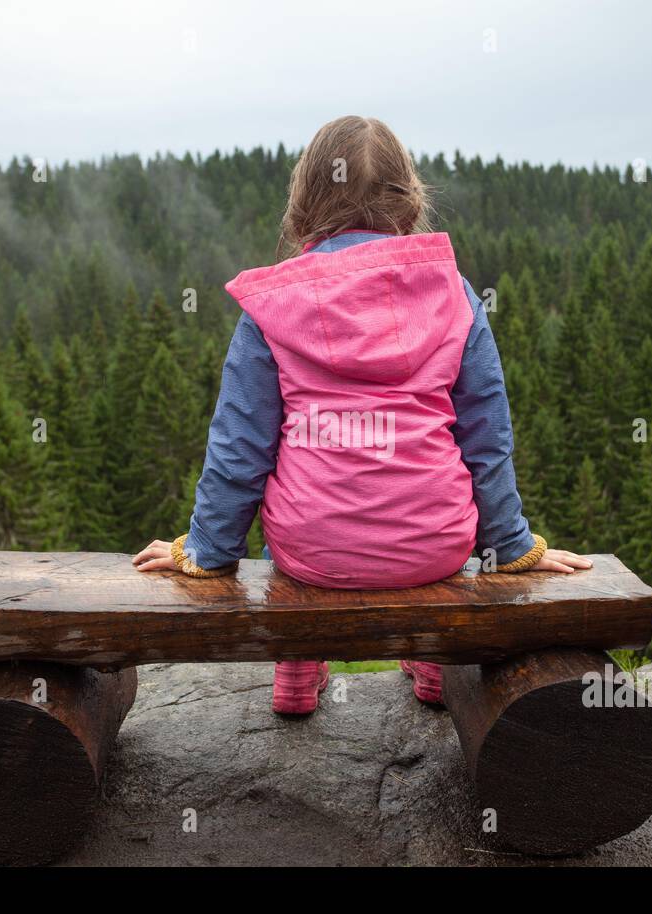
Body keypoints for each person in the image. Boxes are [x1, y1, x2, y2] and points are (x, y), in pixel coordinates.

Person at [134, 115, 591, 714]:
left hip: (312, 552)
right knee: (421, 505)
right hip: (435, 546)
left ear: (303, 204)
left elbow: (240, 447)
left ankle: (297, 671)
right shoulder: (457, 295)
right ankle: (432, 666)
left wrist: (206, 550)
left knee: (295, 502)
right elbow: (487, 438)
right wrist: (510, 544)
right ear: (408, 206)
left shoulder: (271, 308)